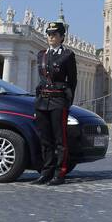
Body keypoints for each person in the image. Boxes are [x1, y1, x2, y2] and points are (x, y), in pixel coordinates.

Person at [33, 21, 78, 185]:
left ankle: (60, 172)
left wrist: (68, 103)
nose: (51, 37)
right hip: (42, 101)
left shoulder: (67, 55)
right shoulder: (41, 54)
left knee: (60, 140)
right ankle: (46, 171)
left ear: (61, 37)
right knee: (45, 139)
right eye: (49, 34)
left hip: (58, 101)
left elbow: (72, 81)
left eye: (54, 34)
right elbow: (41, 79)